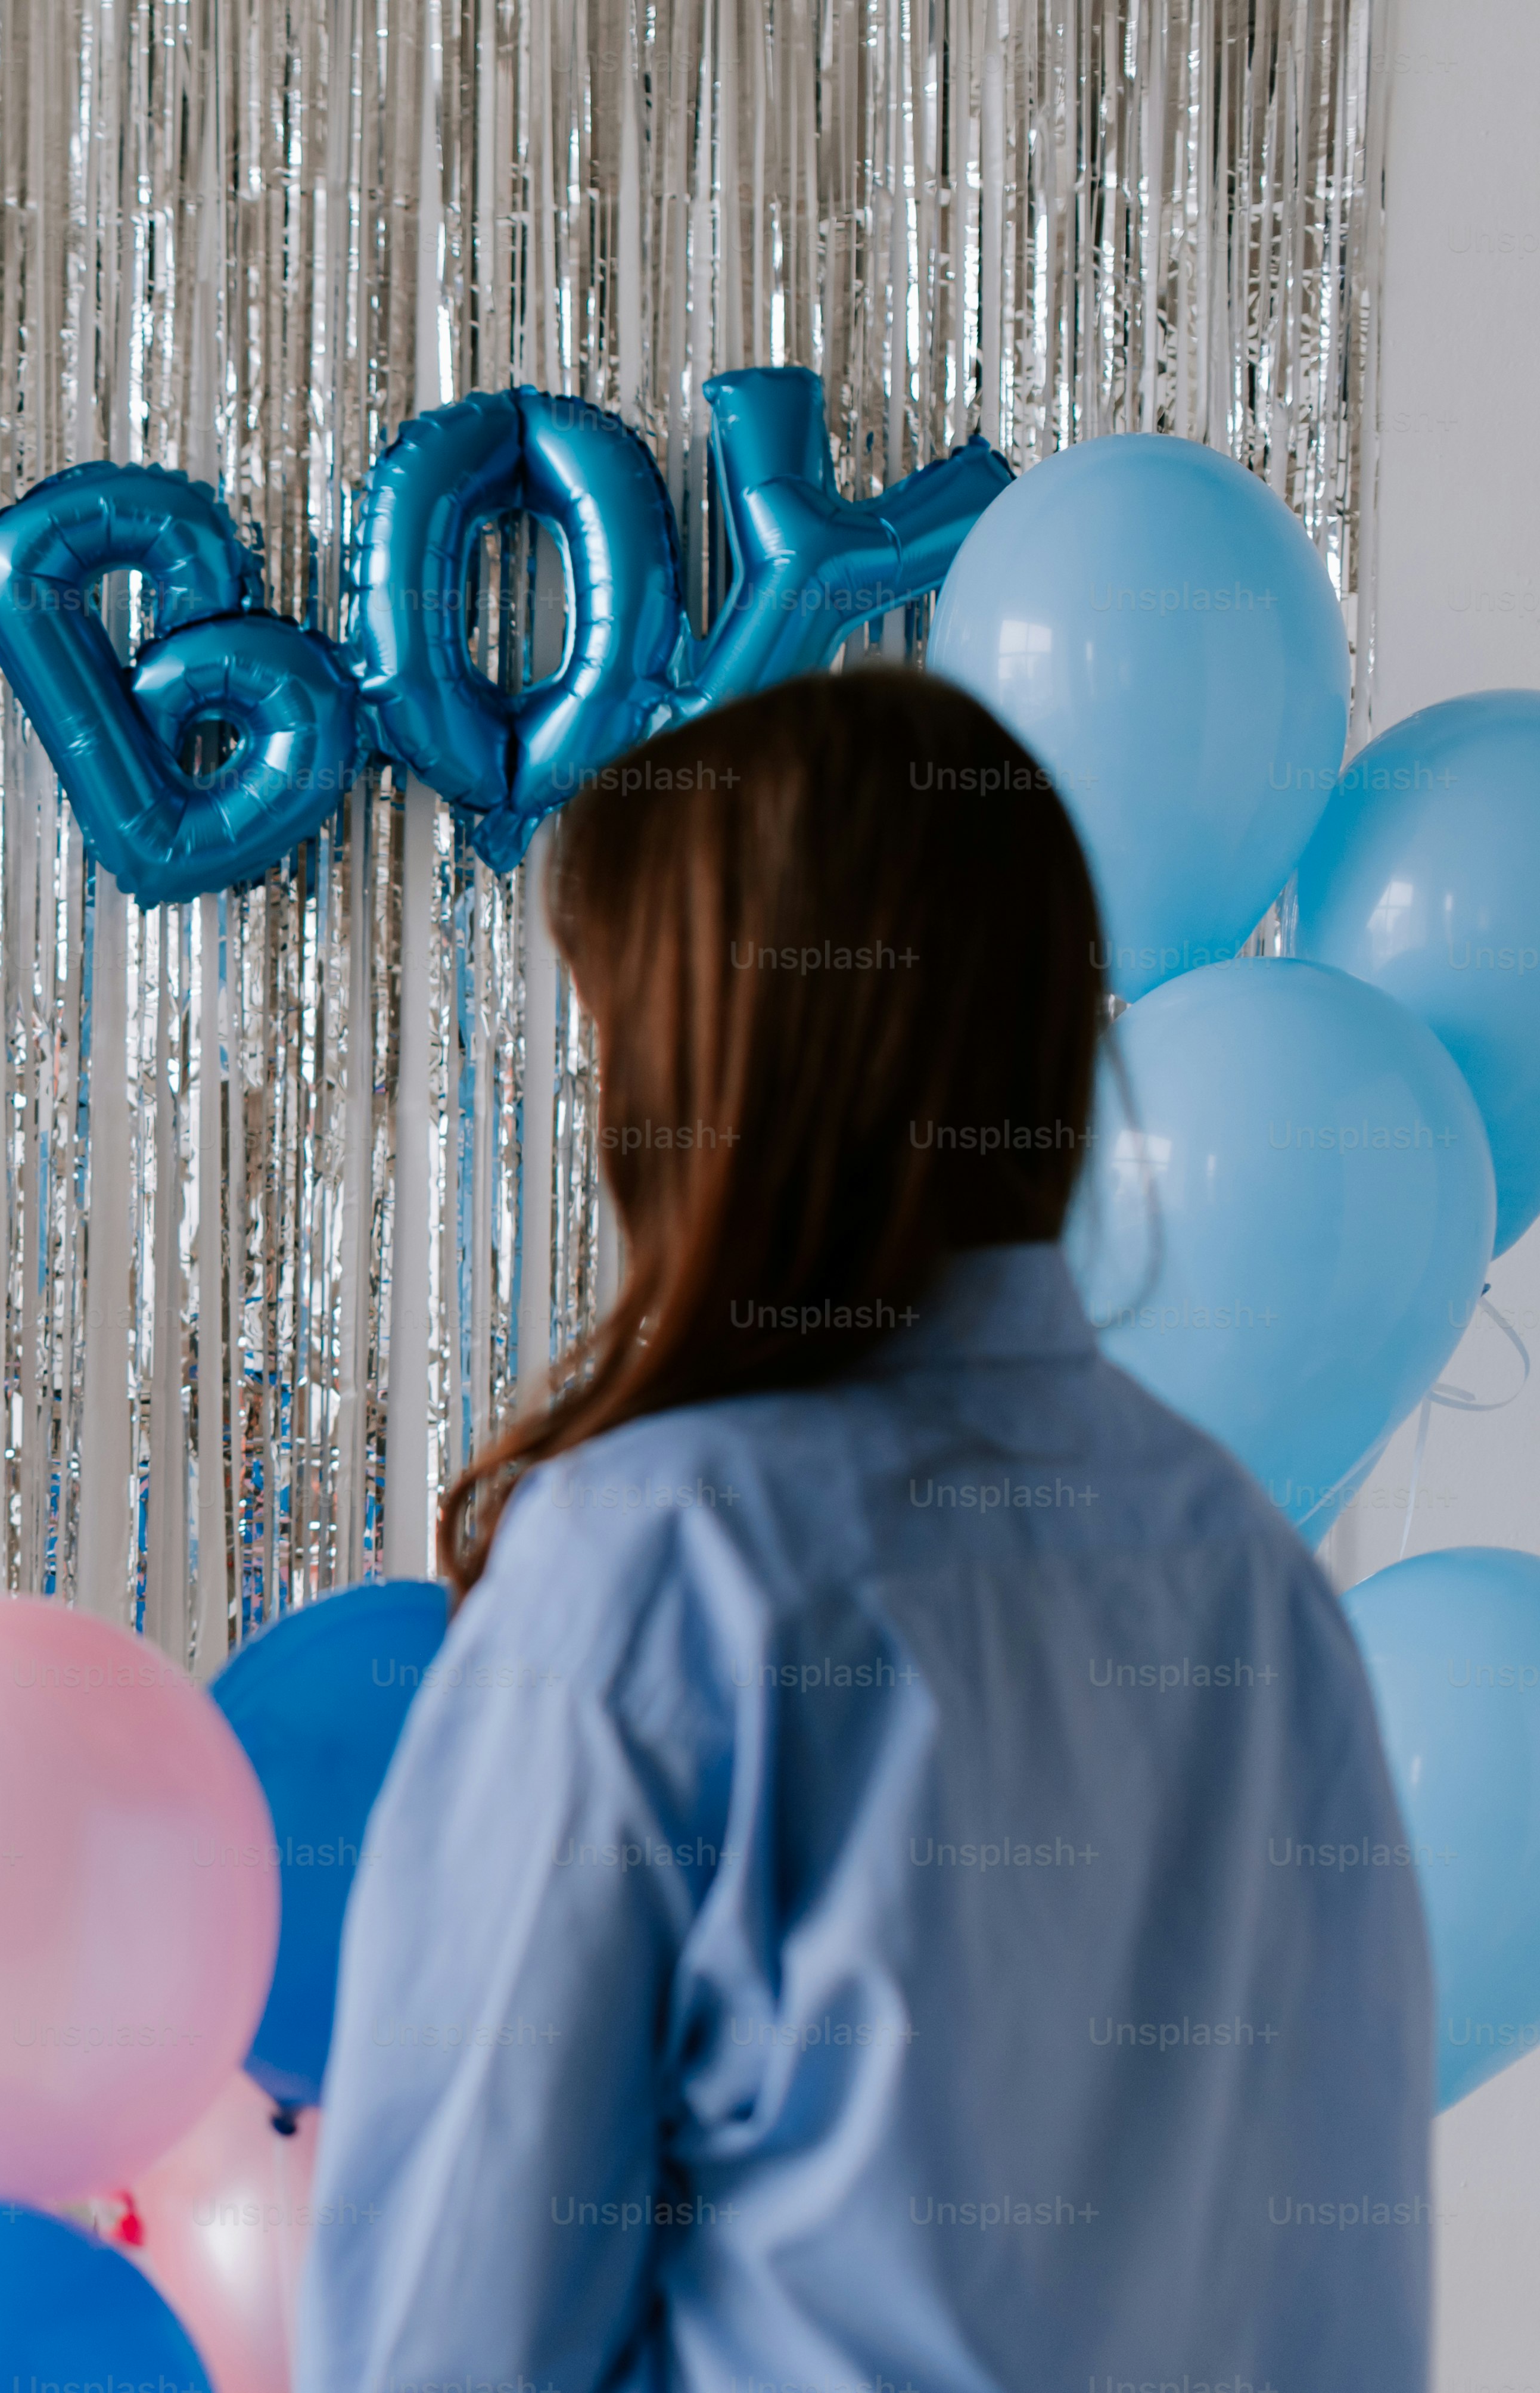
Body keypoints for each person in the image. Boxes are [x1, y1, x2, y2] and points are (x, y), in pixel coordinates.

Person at [297, 670, 1432, 2391]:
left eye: (620, 1037)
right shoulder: (1253, 1579)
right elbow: (1346, 2293)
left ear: (718, 1070)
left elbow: (443, 2340)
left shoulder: (659, 1560)